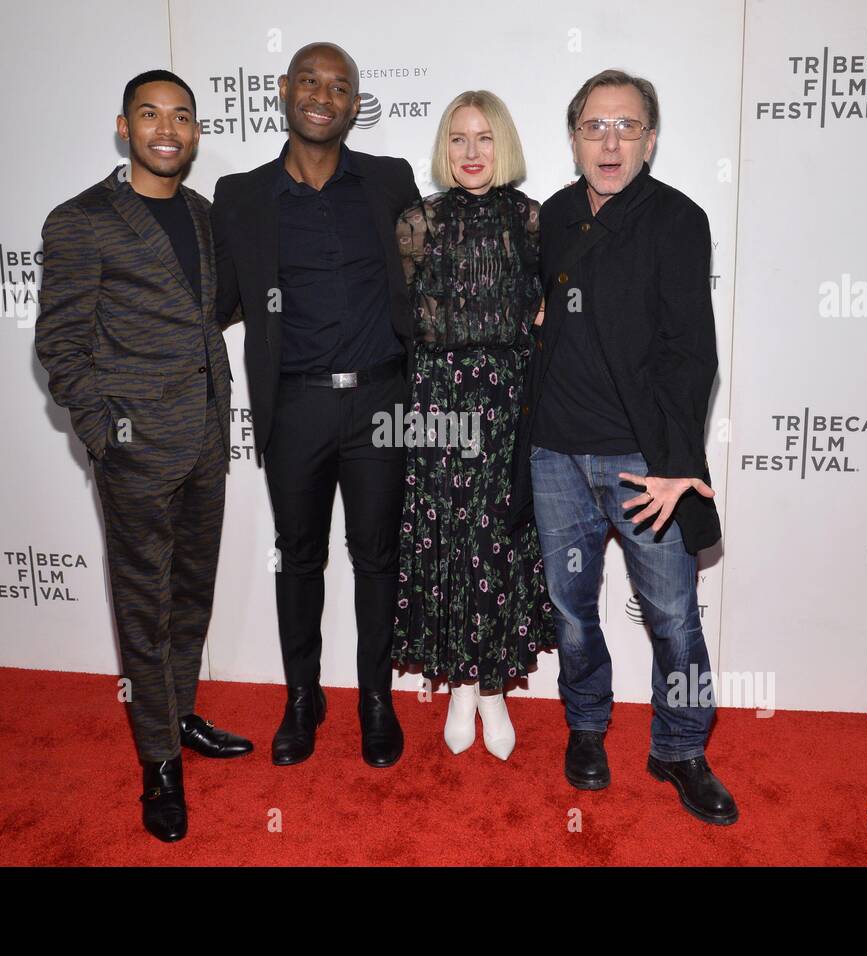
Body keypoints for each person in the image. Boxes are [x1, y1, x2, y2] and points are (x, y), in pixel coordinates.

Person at [511, 69, 738, 825]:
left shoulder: (678, 219)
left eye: (626, 126)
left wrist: (677, 467)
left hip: (643, 464)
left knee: (673, 617)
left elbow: (691, 355)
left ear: (650, 138)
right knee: (571, 611)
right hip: (553, 456)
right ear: (573, 137)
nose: (610, 142)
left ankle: (680, 746)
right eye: (594, 127)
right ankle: (585, 729)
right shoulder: (554, 216)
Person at [35, 70, 252, 843]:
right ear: (124, 127)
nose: (168, 128)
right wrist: (104, 437)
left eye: (182, 116)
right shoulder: (81, 221)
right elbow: (59, 347)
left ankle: (182, 713)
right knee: (143, 612)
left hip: (204, 443)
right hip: (134, 455)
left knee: (191, 596)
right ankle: (158, 763)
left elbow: (212, 313)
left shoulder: (202, 214)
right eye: (151, 115)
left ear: (196, 132)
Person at [211, 43, 421, 768]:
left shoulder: (391, 182)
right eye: (310, 81)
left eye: (340, 86)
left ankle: (375, 699)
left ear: (356, 103)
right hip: (294, 407)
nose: (324, 95)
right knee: (297, 558)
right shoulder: (240, 195)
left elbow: (432, 276)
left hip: (382, 402)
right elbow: (211, 301)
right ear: (283, 90)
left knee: (377, 559)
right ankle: (302, 698)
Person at [391, 91, 555, 760]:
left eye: (484, 138)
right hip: (438, 405)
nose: (471, 152)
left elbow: (552, 313)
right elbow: (403, 326)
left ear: (504, 144)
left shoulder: (534, 222)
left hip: (509, 404)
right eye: (458, 139)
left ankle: (492, 689)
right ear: (443, 147)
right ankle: (460, 684)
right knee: (449, 536)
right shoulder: (417, 224)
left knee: (498, 541)